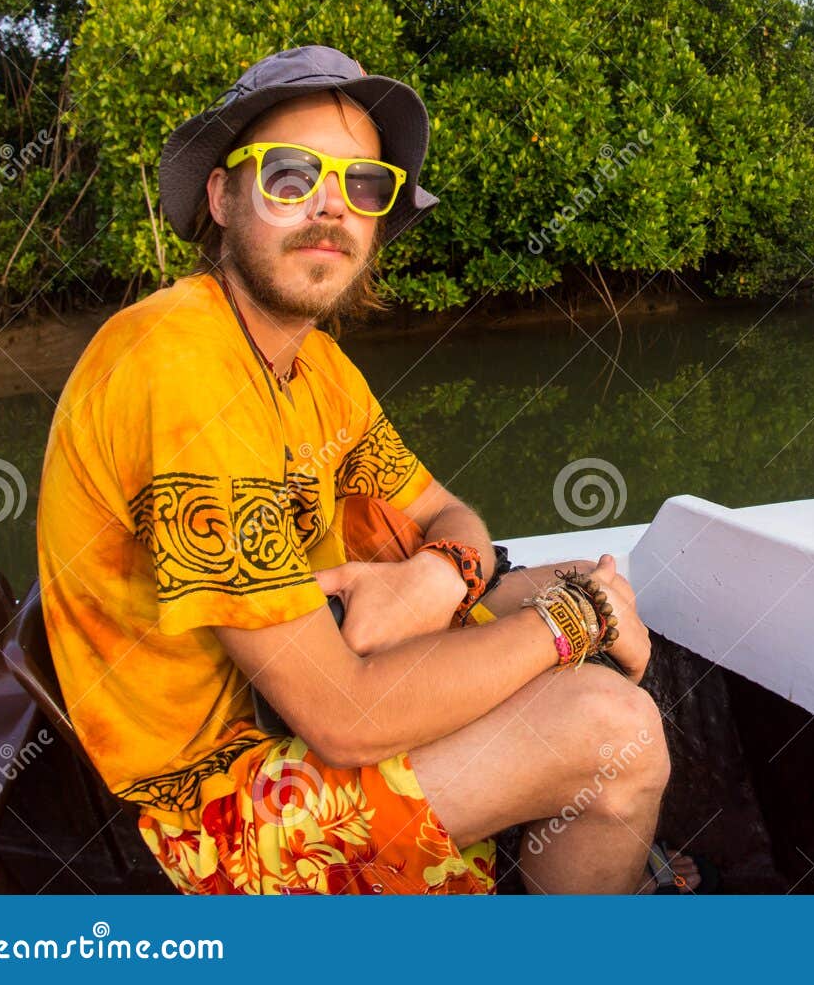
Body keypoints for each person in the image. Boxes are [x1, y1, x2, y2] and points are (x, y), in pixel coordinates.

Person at [36, 45, 704, 895]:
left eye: (362, 184)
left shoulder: (316, 365)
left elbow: (451, 514)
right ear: (223, 196)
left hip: (305, 688)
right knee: (614, 725)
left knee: (566, 575)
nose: (330, 206)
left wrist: (438, 573)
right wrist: (579, 620)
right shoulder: (177, 363)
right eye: (290, 176)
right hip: (215, 803)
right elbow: (344, 718)